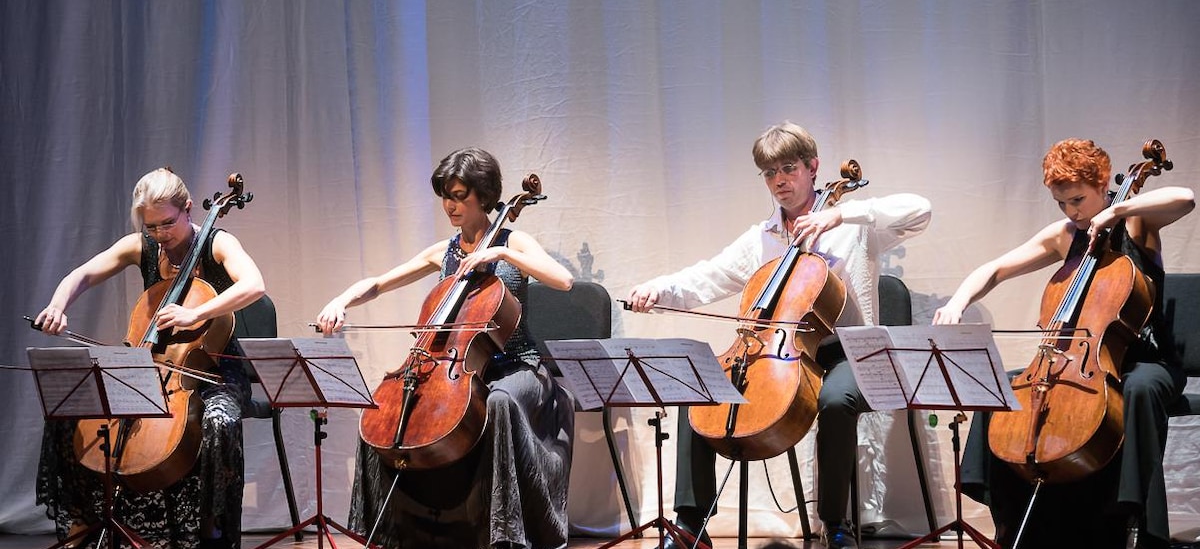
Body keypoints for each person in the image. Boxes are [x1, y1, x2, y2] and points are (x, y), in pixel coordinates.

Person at [627, 121, 932, 549]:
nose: (779, 181)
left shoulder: (853, 226)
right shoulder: (762, 237)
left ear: (813, 167)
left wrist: (844, 212)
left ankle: (834, 522)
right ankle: (691, 523)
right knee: (700, 389)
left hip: (847, 352)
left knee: (835, 399)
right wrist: (659, 288)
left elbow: (921, 209)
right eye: (769, 173)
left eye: (788, 168)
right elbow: (708, 276)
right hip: (778, 356)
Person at [933, 138, 1195, 549]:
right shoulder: (1065, 235)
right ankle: (1008, 518)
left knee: (1141, 390)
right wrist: (959, 300)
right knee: (1002, 389)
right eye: (1061, 204)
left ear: (1102, 184)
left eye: (1078, 199)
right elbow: (996, 268)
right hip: (1080, 363)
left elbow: (1185, 198)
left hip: (1146, 359)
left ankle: (1140, 522)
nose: (1072, 212)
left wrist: (1119, 209)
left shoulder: (1137, 223)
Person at [316, 147, 576, 549]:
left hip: (516, 367)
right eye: (445, 196)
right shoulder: (446, 250)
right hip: (453, 371)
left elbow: (564, 281)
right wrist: (342, 300)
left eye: (459, 196)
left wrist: (502, 252)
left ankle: (504, 534)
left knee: (501, 403)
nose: (450, 206)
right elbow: (381, 282)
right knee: (385, 410)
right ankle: (389, 530)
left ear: (485, 197)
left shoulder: (513, 239)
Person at [33, 167, 267, 549]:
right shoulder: (141, 246)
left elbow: (255, 285)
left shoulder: (217, 243)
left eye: (167, 224)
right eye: (151, 226)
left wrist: (197, 314)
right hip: (152, 364)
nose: (159, 234)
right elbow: (84, 274)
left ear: (188, 209)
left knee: (218, 421)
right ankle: (84, 521)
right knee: (71, 411)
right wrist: (58, 305)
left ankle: (210, 529)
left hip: (216, 370)